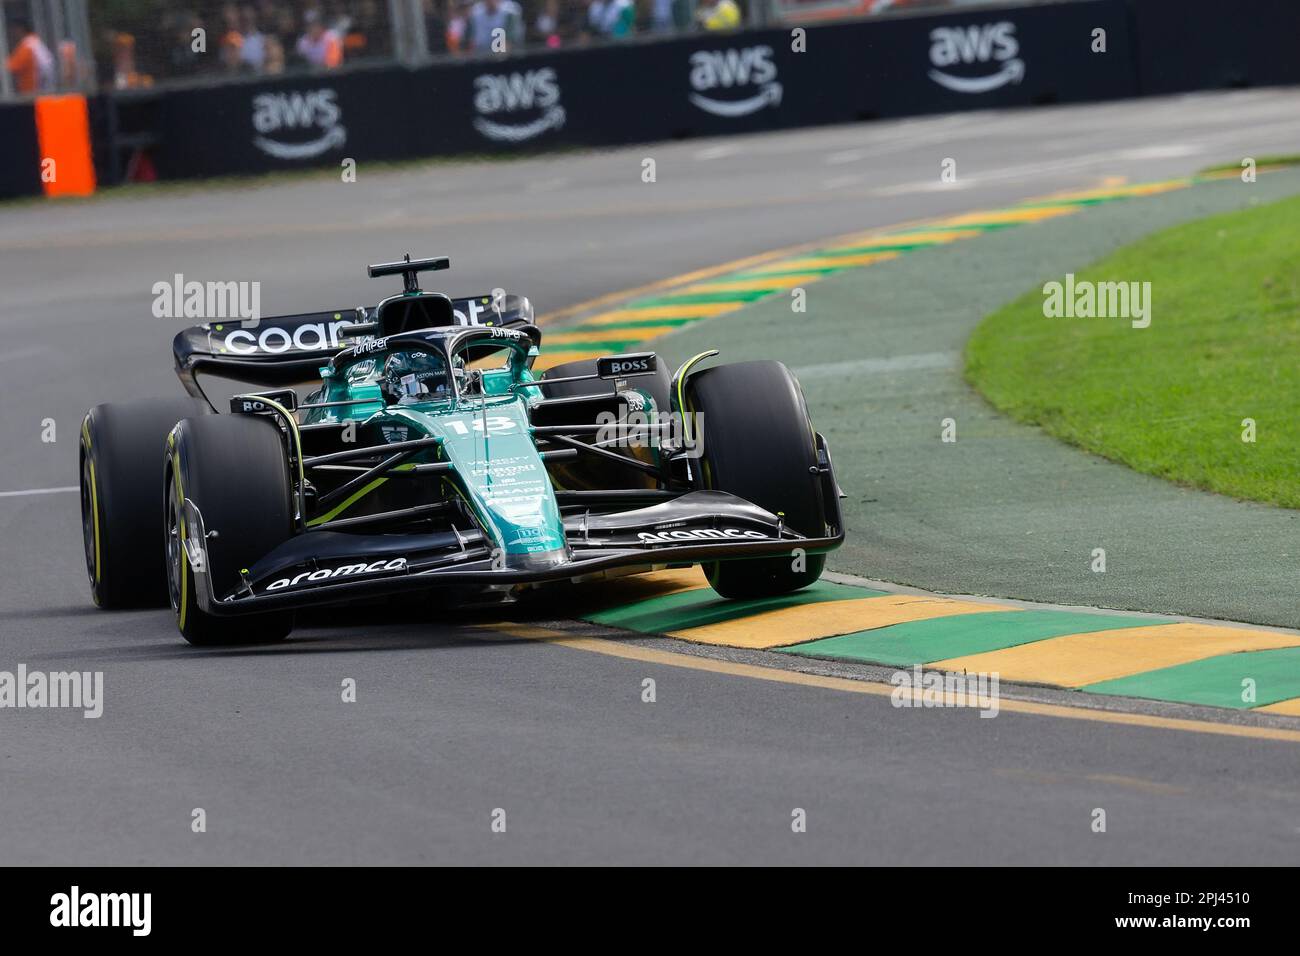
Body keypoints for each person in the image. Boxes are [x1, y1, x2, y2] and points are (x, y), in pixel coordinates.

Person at [5, 17, 55, 94]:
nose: (12, 33)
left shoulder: (27, 46)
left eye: (13, 30)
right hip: (43, 89)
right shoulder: (35, 42)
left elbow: (9, 67)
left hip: (33, 91)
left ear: (20, 29)